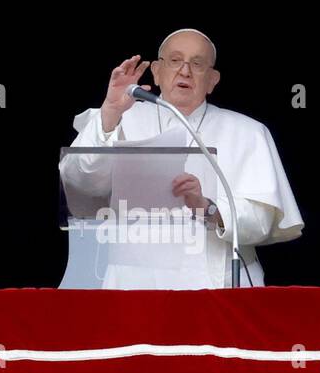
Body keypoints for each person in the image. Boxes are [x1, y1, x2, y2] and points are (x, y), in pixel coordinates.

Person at [60, 28, 303, 288]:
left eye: (197, 64)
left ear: (213, 80)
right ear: (155, 71)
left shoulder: (248, 132)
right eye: (175, 60)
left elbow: (262, 220)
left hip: (217, 283)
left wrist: (208, 206)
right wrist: (109, 111)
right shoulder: (120, 118)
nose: (185, 71)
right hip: (134, 283)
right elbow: (80, 180)